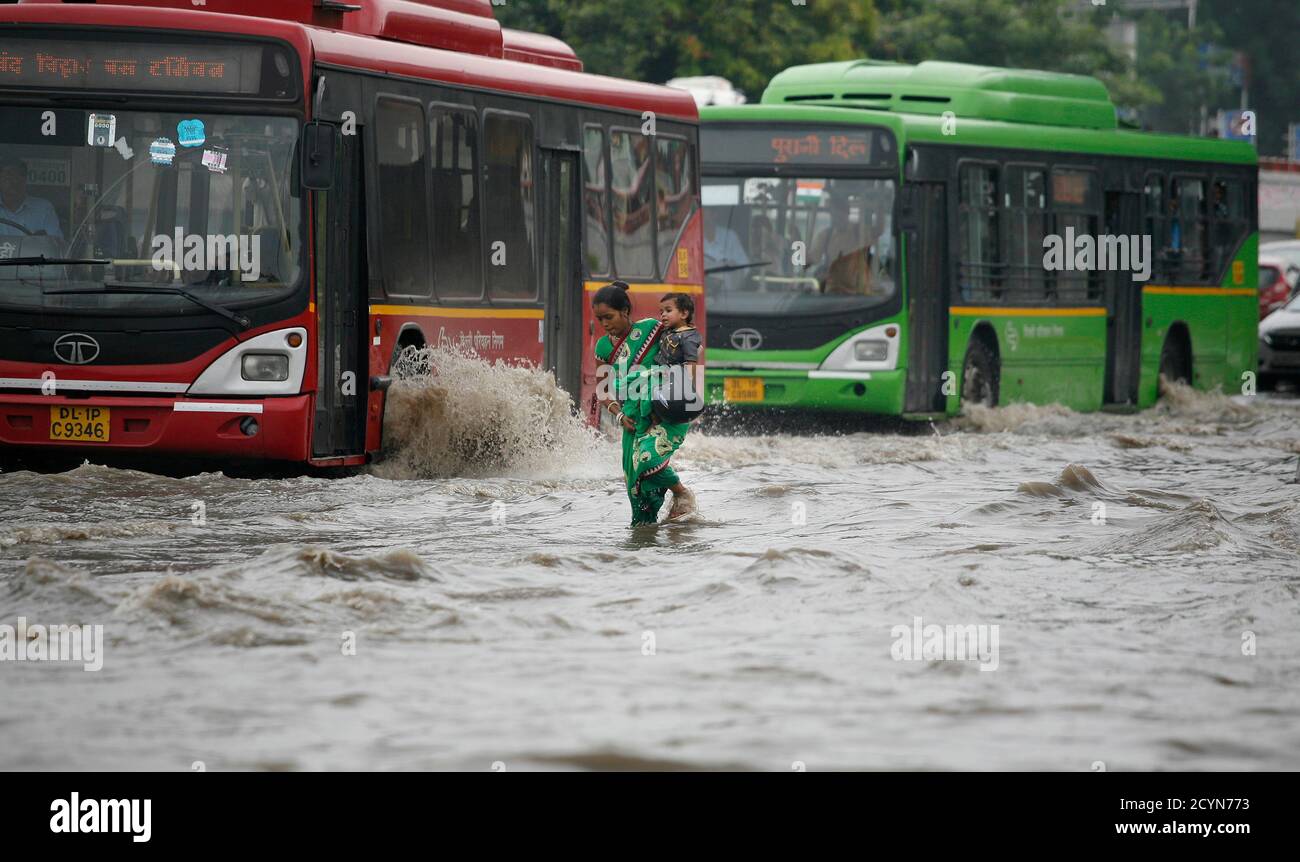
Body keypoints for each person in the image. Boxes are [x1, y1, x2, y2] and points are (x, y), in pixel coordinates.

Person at [592, 281, 696, 525]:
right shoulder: (603, 347)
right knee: (636, 490)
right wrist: (619, 415)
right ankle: (645, 538)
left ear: (625, 311)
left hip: (663, 413)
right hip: (632, 419)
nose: (604, 324)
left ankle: (681, 493)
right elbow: (603, 390)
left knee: (647, 460)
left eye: (609, 317)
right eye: (599, 319)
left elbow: (684, 342)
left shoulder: (651, 328)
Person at [0, 155, 63, 239]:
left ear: (25, 179)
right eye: (8, 176)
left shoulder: (44, 208)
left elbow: (56, 243)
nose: (13, 181)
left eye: (18, 176)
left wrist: (40, 240)